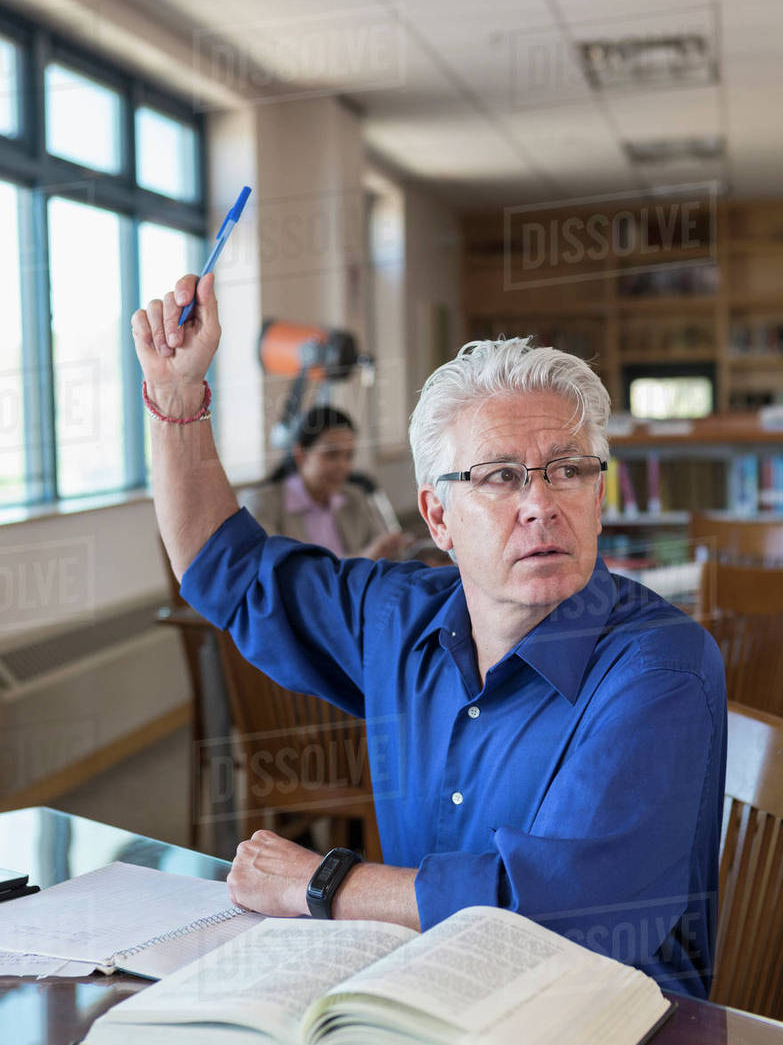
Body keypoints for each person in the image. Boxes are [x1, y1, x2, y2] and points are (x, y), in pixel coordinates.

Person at [134, 273, 726, 998]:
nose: (540, 504)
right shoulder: (399, 617)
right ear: (437, 517)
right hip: (433, 1003)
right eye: (501, 478)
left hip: (613, 1044)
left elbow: (568, 913)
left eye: (568, 471)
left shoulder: (662, 666)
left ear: (598, 495)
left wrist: (325, 883)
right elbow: (227, 570)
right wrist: (176, 405)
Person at [239, 405, 409, 561]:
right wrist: (365, 557)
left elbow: (388, 556)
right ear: (301, 454)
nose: (342, 466)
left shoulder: (355, 498)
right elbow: (282, 572)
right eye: (331, 455)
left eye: (349, 456)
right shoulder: (260, 504)